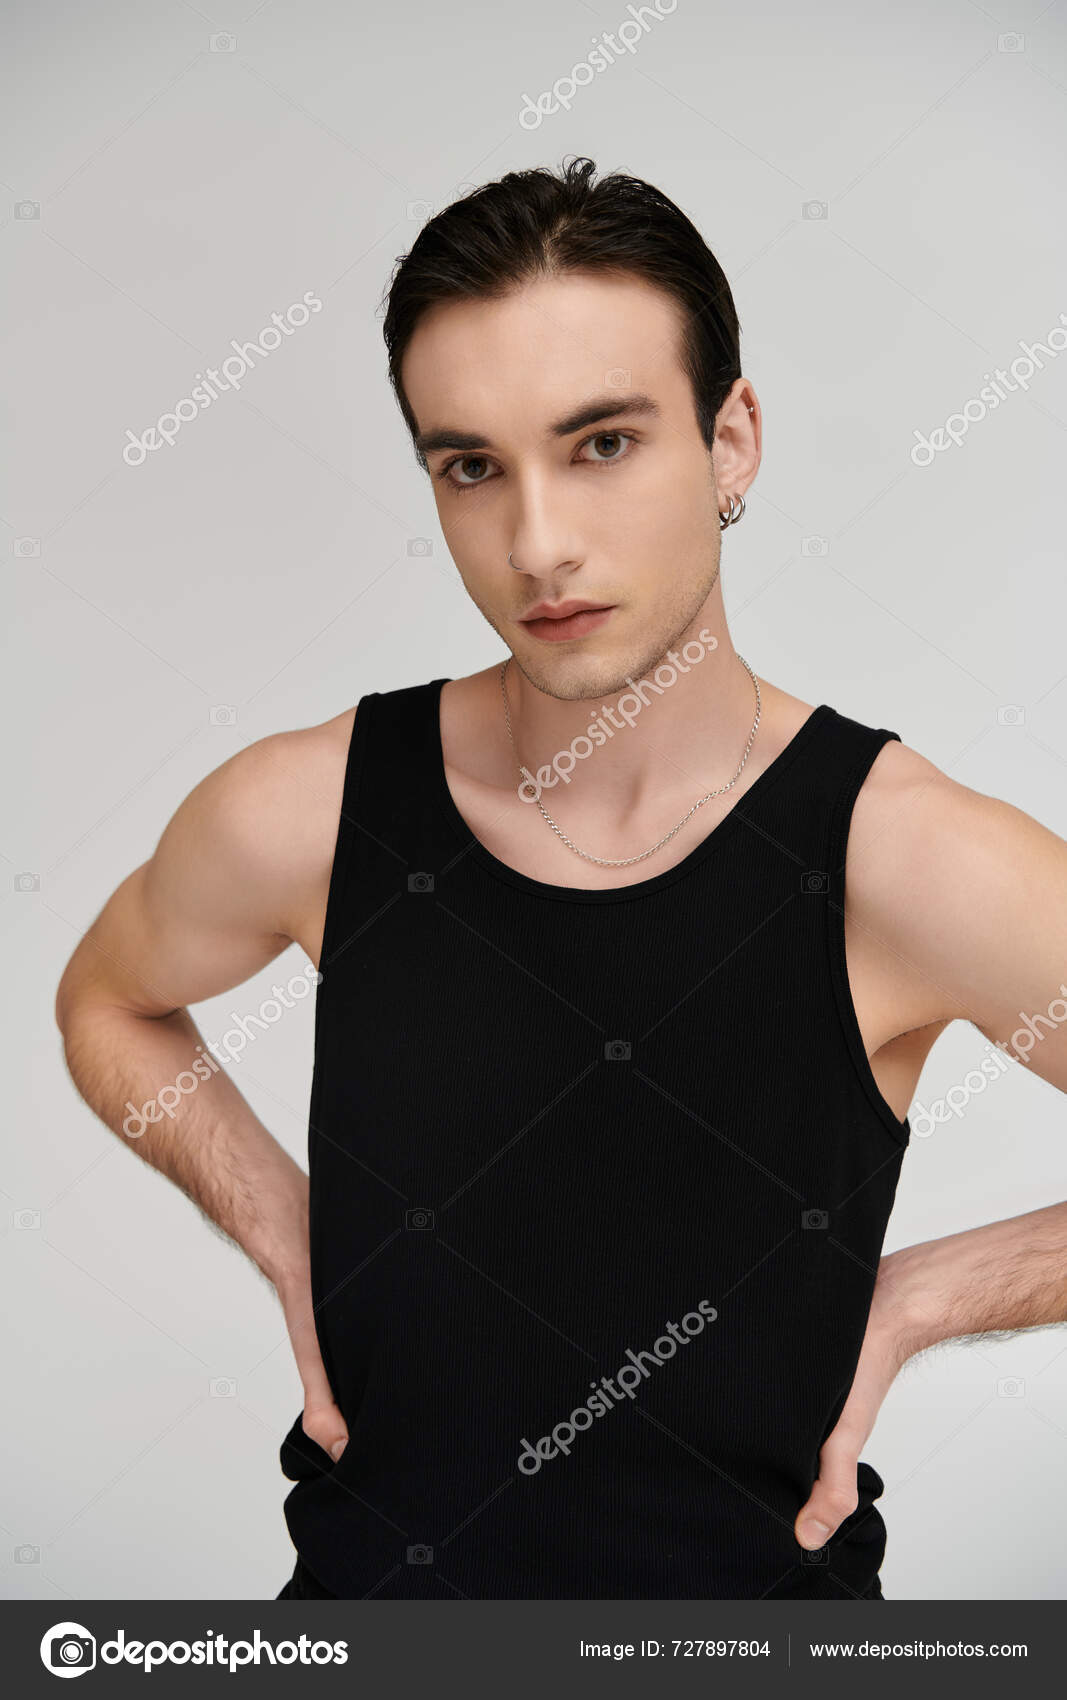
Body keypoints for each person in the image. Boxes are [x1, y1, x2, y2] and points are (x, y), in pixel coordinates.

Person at [55, 158, 1067, 1602]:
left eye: (601, 443)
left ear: (733, 445)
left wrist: (919, 1300)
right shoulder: (311, 810)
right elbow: (108, 999)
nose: (537, 542)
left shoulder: (902, 858)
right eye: (473, 466)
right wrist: (285, 1226)